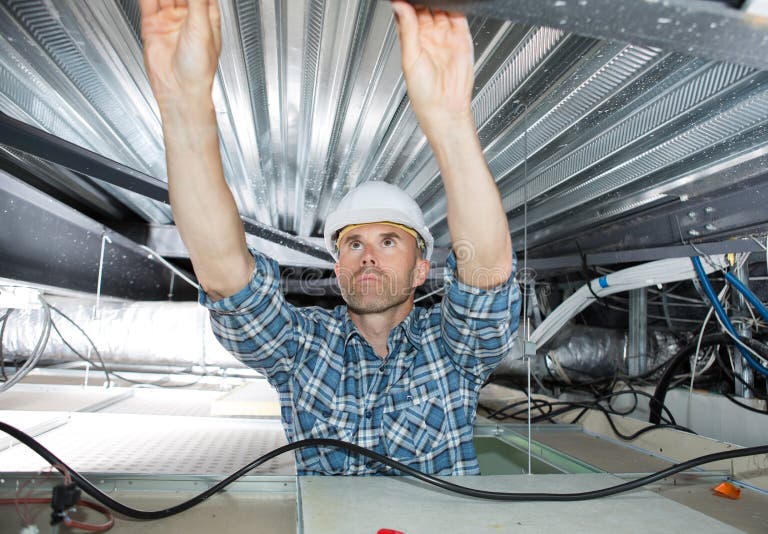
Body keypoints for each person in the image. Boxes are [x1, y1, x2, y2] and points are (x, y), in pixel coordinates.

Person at [139, 0, 521, 475]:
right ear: (338, 266)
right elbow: (226, 279)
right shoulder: (303, 349)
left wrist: (451, 121)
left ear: (422, 269)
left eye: (388, 242)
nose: (367, 257)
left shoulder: (450, 351)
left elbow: (486, 279)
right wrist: (184, 104)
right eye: (353, 244)